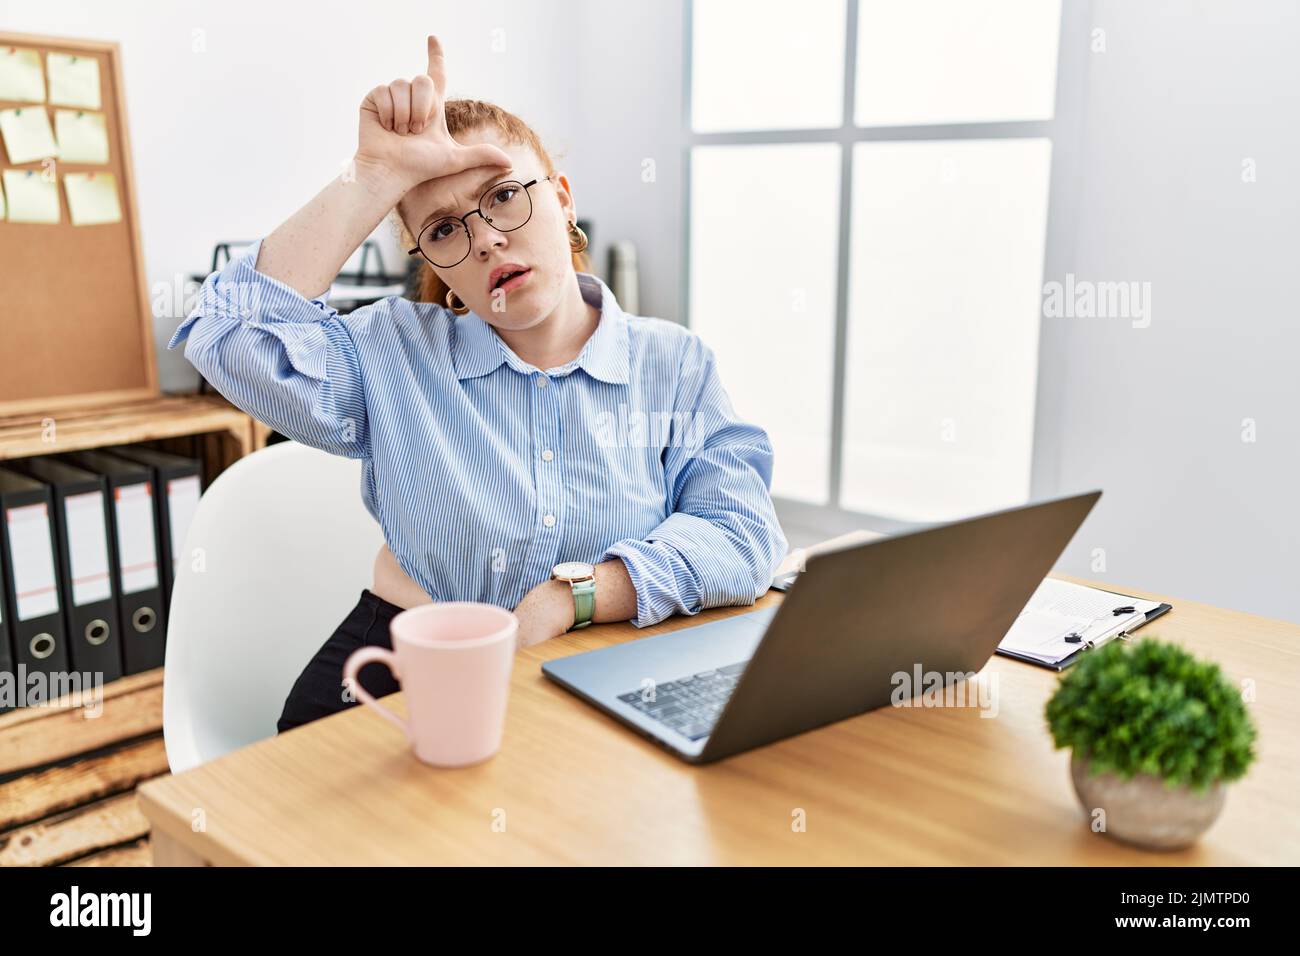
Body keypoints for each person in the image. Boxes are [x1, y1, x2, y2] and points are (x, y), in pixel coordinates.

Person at [167, 35, 787, 733]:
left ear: (561, 200)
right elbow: (226, 334)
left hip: (592, 660)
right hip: (403, 662)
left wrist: (577, 595)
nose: (486, 239)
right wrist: (371, 176)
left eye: (502, 196)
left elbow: (742, 533)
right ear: (428, 257)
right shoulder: (394, 353)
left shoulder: (675, 365)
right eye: (443, 229)